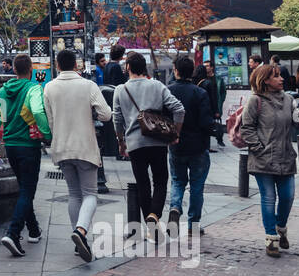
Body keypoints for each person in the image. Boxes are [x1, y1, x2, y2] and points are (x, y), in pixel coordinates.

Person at [43, 48, 112, 261]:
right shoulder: (88, 85)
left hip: (62, 146)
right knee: (90, 193)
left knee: (74, 194)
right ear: (76, 65)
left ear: (57, 65)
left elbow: (50, 120)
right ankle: (81, 231)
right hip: (84, 146)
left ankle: (77, 236)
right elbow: (106, 114)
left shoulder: (49, 88)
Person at [112, 53, 185, 242]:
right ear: (144, 67)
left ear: (127, 67)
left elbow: (117, 119)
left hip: (135, 143)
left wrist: (121, 141)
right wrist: (175, 132)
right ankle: (155, 214)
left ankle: (151, 226)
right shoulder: (157, 86)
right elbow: (179, 109)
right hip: (157, 140)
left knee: (142, 183)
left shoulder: (120, 90)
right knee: (160, 180)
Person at [0, 53, 52, 257]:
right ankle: (13, 233)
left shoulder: (2, 91)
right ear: (30, 70)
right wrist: (48, 135)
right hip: (28, 145)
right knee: (27, 190)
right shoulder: (33, 88)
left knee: (24, 187)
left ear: (14, 70)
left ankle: (33, 230)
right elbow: (38, 112)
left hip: (11, 146)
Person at [240, 63, 298, 258]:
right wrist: (259, 148)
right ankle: (271, 238)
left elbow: (297, 122)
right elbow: (246, 128)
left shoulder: (289, 99)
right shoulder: (255, 101)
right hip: (263, 159)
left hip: (285, 156)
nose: (281, 79)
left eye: (281, 76)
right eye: (276, 76)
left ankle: (281, 227)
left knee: (288, 196)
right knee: (268, 197)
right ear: (265, 80)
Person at [167, 56, 214, 238]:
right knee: (197, 185)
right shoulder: (199, 92)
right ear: (192, 72)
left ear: (176, 71)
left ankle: (175, 207)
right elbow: (206, 122)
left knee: (178, 181)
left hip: (176, 144)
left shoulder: (168, 91)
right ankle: (193, 224)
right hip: (198, 146)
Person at [195, 64, 225, 148]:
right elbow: (213, 98)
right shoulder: (208, 83)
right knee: (208, 126)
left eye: (208, 65)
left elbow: (222, 92)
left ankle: (205, 144)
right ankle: (207, 145)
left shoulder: (194, 82)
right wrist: (216, 110)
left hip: (198, 109)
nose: (207, 67)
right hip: (208, 108)